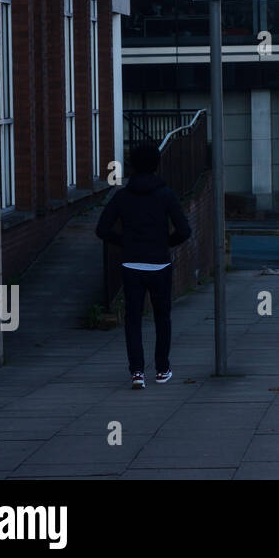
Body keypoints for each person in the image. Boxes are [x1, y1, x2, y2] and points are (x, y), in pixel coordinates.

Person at [96, 143, 191, 389]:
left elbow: (102, 229)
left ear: (132, 165)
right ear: (156, 164)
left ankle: (137, 372)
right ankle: (162, 369)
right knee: (162, 318)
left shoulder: (122, 196)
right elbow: (184, 230)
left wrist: (126, 243)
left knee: (133, 320)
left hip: (132, 265)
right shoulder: (166, 195)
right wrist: (165, 243)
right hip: (159, 264)